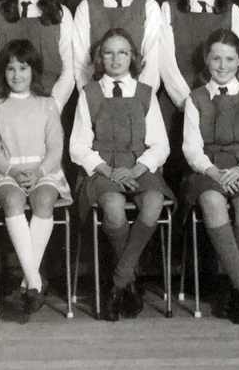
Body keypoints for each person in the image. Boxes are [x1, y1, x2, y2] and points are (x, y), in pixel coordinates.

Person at [69, 28, 173, 321]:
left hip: (138, 166)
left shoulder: (145, 93)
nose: (116, 59)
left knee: (153, 201)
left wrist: (137, 168)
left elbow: (160, 145)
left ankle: (118, 282)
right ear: (99, 58)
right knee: (113, 206)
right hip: (102, 168)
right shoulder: (89, 93)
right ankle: (130, 281)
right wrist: (108, 170)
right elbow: (78, 146)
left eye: (123, 53)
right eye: (108, 53)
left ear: (133, 57)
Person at [180, 29, 239, 324]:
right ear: (206, 60)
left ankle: (231, 285)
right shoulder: (195, 98)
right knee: (211, 200)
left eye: (230, 59)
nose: (223, 66)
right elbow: (191, 147)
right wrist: (212, 171)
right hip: (207, 167)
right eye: (216, 59)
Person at [0, 39, 71, 313]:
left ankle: (27, 284)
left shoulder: (47, 104)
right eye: (10, 69)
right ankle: (34, 281)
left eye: (23, 68)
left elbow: (55, 149)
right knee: (12, 200)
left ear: (34, 71)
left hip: (44, 170)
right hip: (7, 171)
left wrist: (40, 171)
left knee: (44, 200)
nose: (17, 75)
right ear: (2, 72)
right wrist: (13, 171)